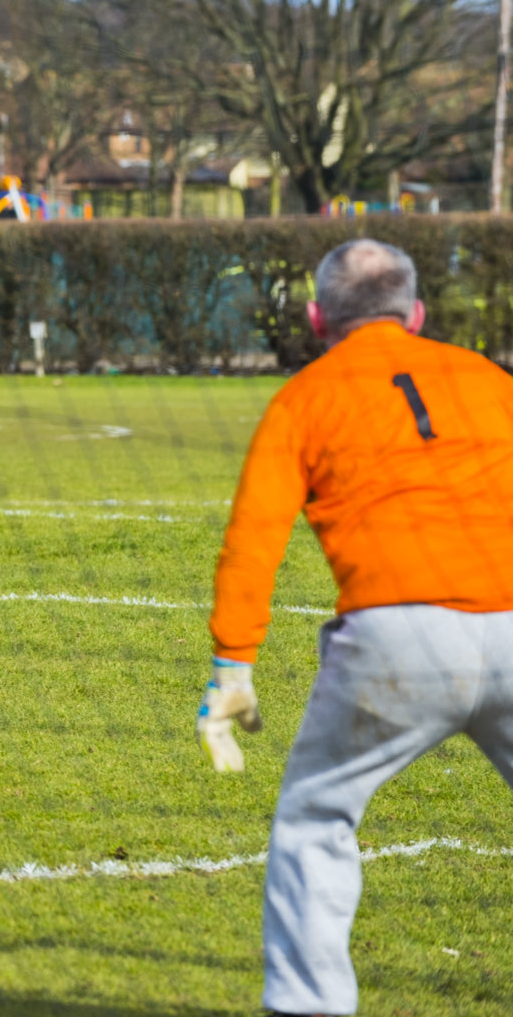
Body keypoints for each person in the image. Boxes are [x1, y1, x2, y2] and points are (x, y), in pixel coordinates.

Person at [197, 238, 513, 1016]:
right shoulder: (486, 377)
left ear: (314, 318)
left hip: (393, 642)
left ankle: (309, 1006)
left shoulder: (304, 396)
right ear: (418, 312)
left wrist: (232, 667)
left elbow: (252, 541)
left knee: (315, 820)